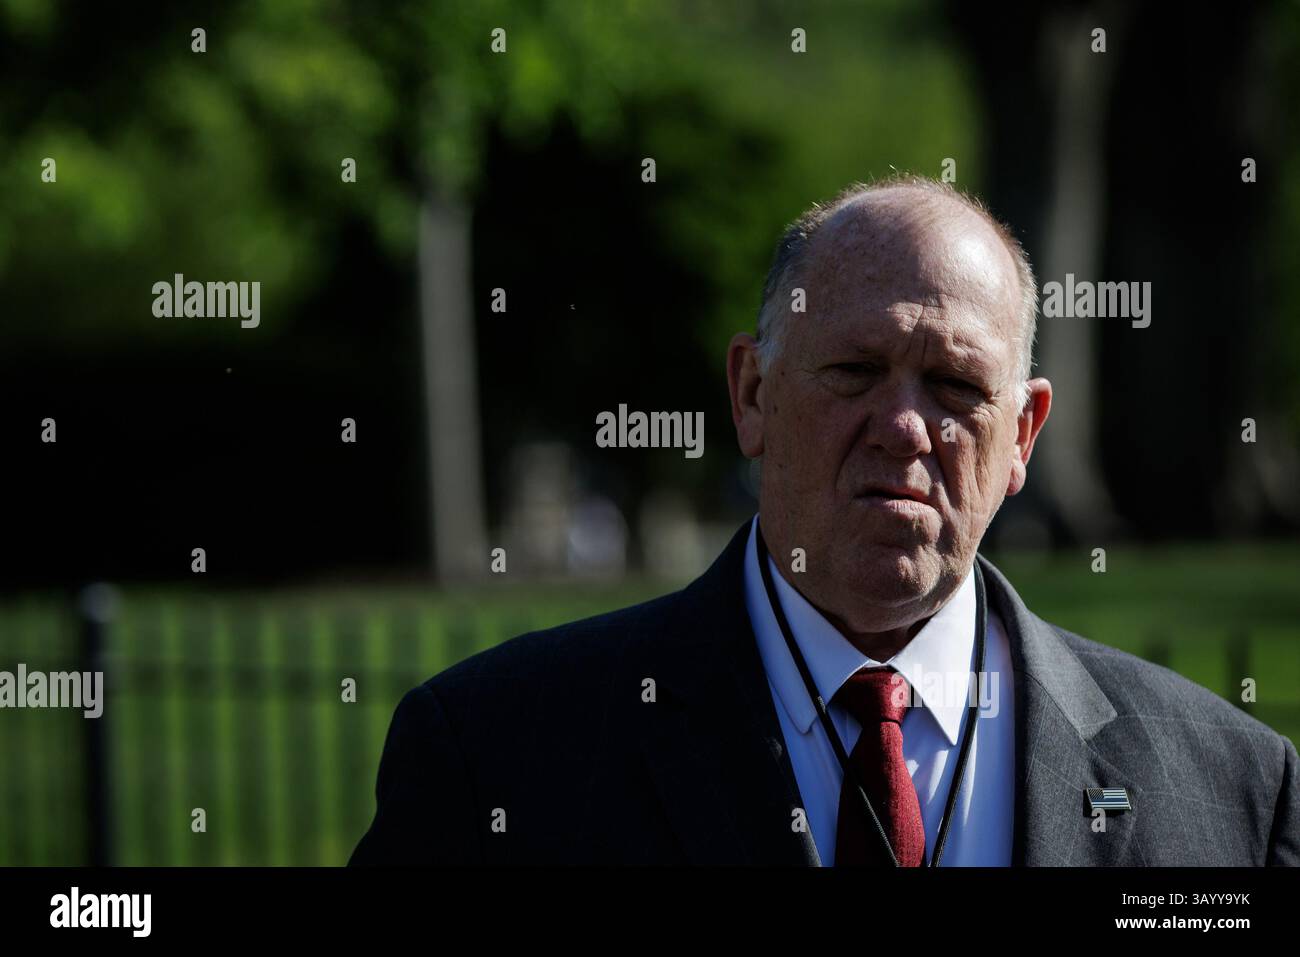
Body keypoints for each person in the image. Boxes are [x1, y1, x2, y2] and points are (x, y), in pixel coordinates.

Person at [350, 175, 1299, 866]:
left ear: (1022, 436)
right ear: (752, 394)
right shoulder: (498, 761)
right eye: (853, 371)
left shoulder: (1233, 795)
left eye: (958, 385)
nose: (902, 426)